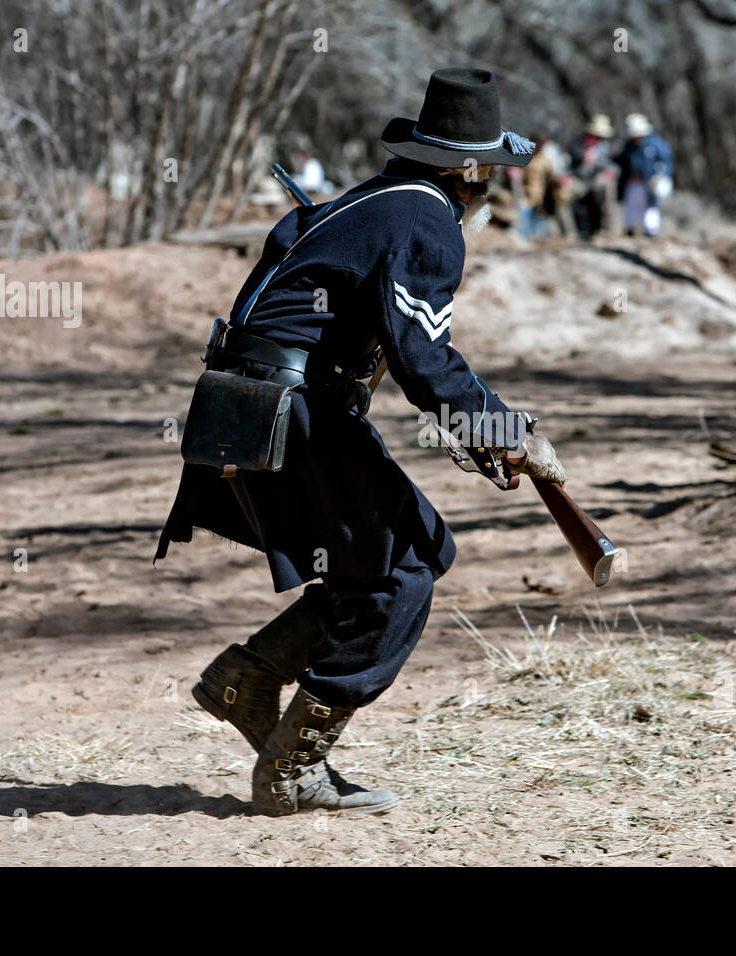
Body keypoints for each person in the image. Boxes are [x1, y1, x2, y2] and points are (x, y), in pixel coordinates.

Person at [156, 68, 568, 817]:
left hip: (248, 405)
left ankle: (249, 677)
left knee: (397, 556)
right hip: (294, 410)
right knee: (400, 572)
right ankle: (291, 766)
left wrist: (483, 441)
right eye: (489, 176)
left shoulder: (365, 202)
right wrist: (509, 432)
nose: (490, 193)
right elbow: (425, 360)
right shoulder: (427, 220)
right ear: (469, 171)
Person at [615, 113, 673, 237]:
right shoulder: (628, 146)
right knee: (631, 207)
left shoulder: (654, 144)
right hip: (632, 182)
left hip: (650, 182)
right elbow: (621, 162)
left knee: (650, 208)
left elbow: (666, 161)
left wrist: (661, 176)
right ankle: (630, 230)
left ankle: (651, 233)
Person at [568, 113, 617, 239]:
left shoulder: (605, 146)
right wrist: (582, 159)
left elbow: (614, 166)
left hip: (597, 180)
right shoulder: (576, 145)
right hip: (579, 181)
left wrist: (599, 164)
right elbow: (569, 166)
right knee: (566, 192)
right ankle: (572, 231)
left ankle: (606, 229)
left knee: (605, 185)